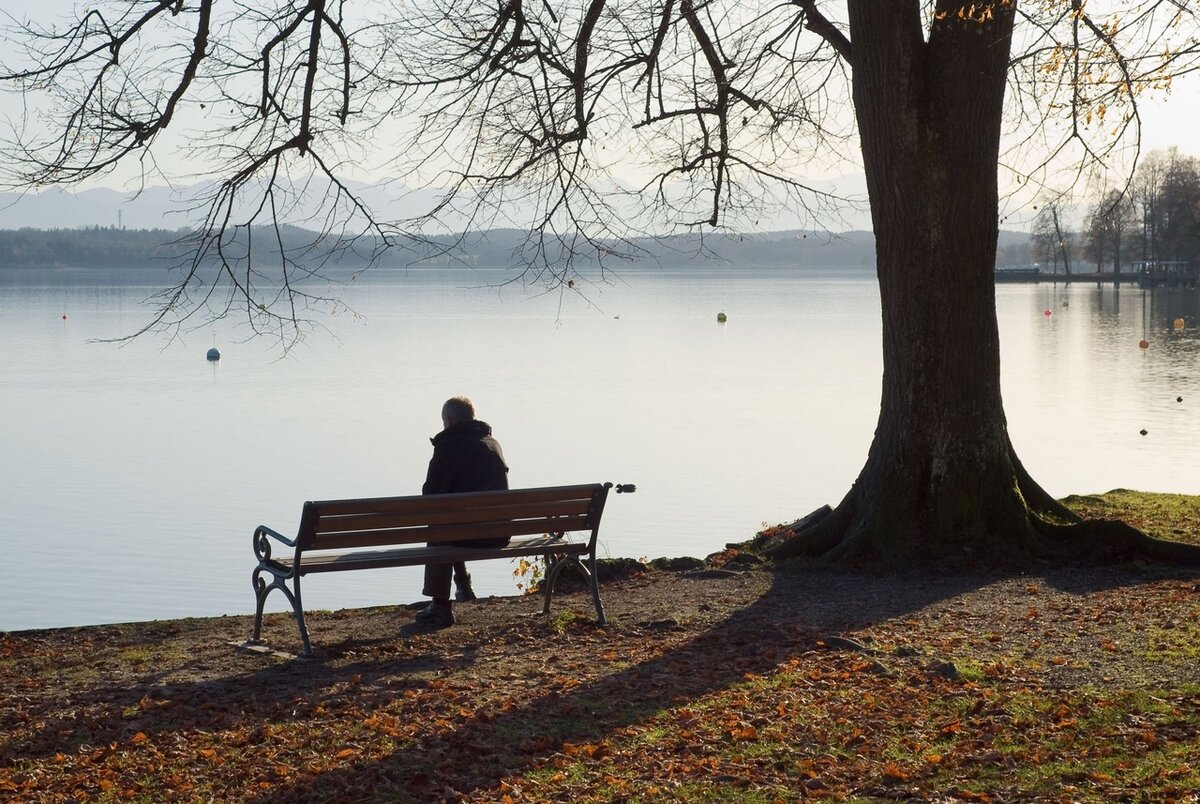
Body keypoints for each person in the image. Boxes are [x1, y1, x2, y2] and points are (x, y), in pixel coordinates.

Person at [416, 396, 510, 628]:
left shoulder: (448, 446)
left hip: (466, 533)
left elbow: (430, 495)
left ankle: (440, 605)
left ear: (449, 420)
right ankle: (463, 585)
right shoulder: (492, 443)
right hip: (498, 533)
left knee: (440, 526)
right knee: (453, 523)